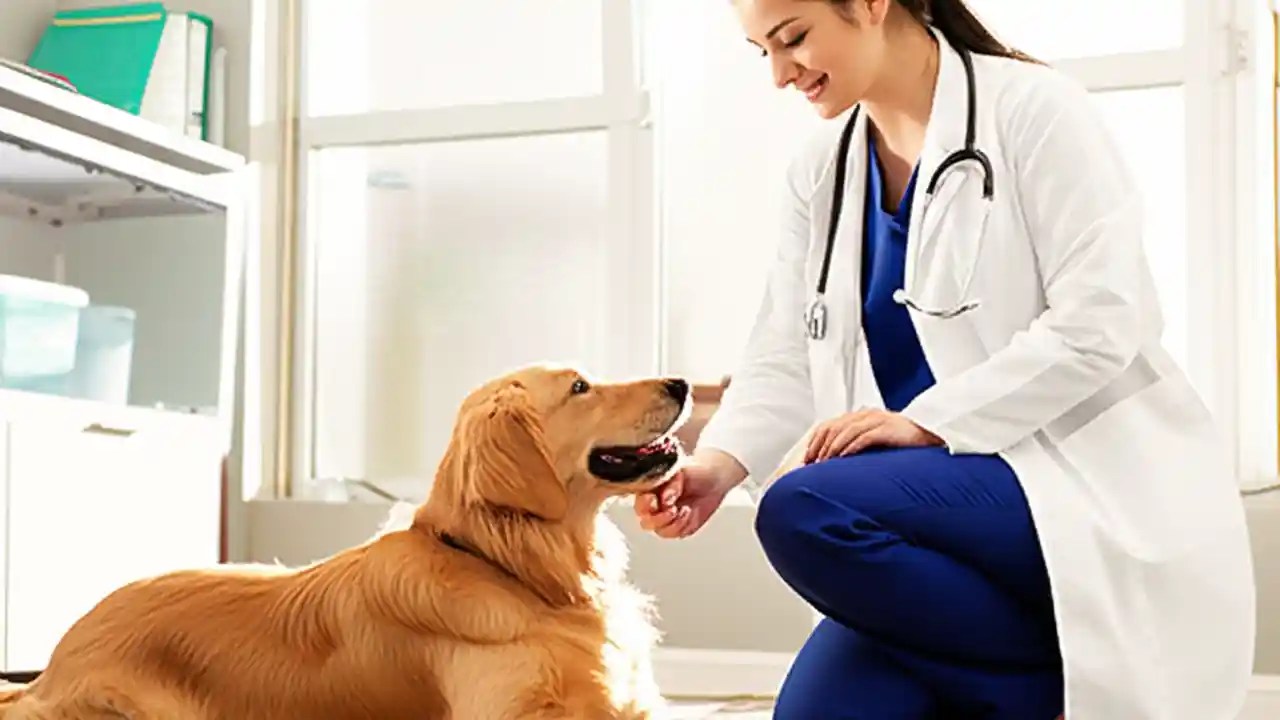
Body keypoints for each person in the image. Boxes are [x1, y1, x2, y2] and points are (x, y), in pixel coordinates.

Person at [633, 1, 1257, 718]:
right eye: (761, 53)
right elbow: (785, 347)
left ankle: (1025, 692)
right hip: (933, 508)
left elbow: (1104, 321)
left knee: (804, 506)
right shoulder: (823, 171)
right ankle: (1031, 685)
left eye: (793, 40)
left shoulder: (1034, 111)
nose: (779, 75)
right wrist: (717, 466)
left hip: (1074, 482)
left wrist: (928, 423)